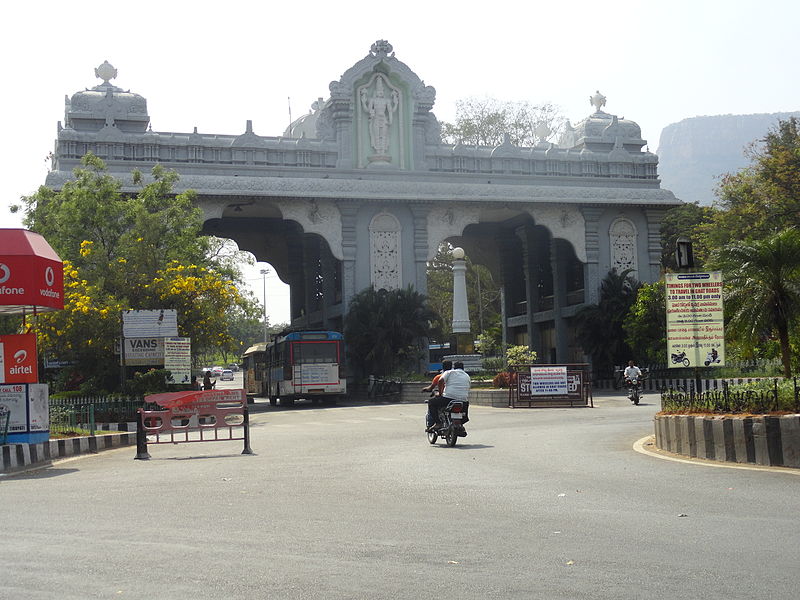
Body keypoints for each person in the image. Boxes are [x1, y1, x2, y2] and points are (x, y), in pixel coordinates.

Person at [427, 360, 471, 432]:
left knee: (431, 402)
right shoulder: (467, 376)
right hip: (463, 401)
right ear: (463, 368)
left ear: (454, 367)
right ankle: (460, 424)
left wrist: (440, 394)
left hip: (448, 399)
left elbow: (440, 381)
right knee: (464, 413)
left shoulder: (449, 372)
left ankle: (438, 423)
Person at [423, 360, 452, 429]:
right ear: (451, 366)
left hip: (445, 397)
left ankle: (434, 423)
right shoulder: (455, 376)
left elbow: (431, 388)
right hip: (456, 398)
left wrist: (425, 389)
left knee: (431, 403)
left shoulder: (439, 376)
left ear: (443, 367)